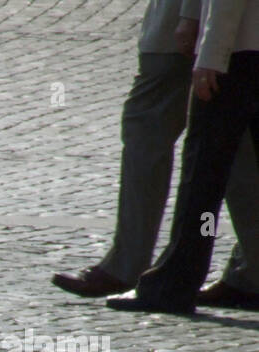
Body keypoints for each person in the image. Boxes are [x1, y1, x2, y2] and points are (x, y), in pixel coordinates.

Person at [54, 0, 259, 307]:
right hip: (226, 34)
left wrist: (192, 19)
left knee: (198, 162)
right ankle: (246, 271)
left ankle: (153, 273)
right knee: (230, 157)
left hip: (208, 29)